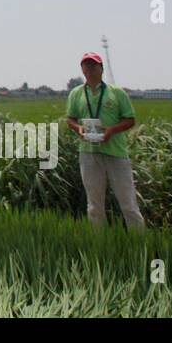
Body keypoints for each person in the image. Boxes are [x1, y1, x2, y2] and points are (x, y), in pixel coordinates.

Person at [66, 51, 145, 230]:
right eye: (86, 65)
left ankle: (141, 243)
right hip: (88, 154)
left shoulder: (116, 93)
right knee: (94, 206)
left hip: (115, 153)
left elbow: (130, 120)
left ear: (101, 68)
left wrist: (111, 130)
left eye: (93, 65)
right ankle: (100, 243)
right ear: (82, 69)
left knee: (128, 204)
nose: (90, 69)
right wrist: (78, 128)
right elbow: (70, 119)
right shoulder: (76, 94)